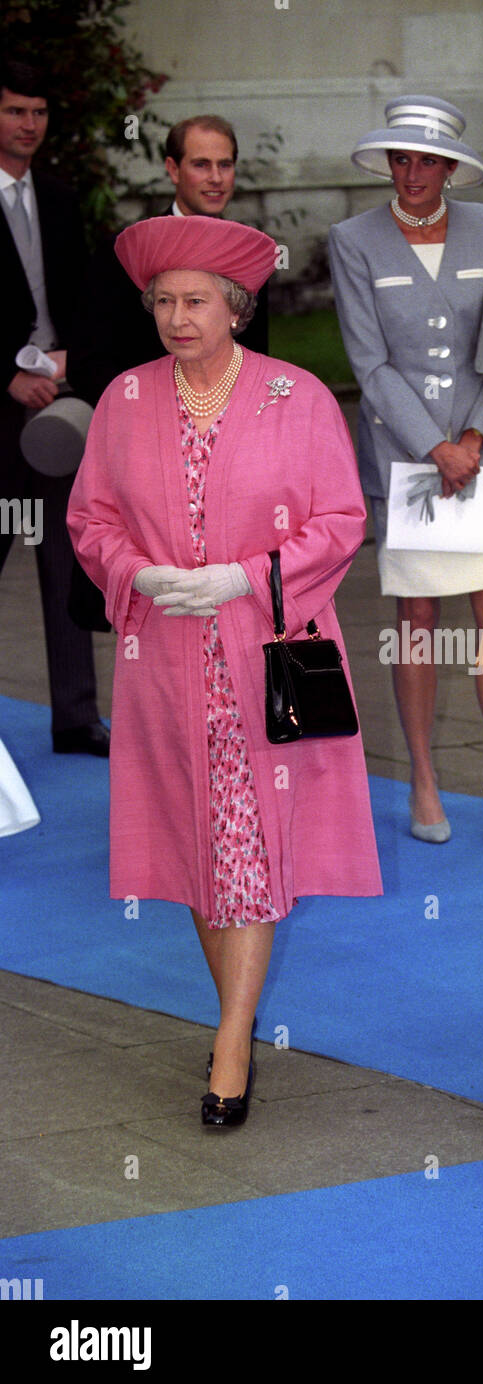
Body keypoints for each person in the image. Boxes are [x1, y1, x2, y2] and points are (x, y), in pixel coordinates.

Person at [67, 215, 381, 1127]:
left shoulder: (298, 395)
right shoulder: (124, 399)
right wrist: (139, 574)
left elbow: (339, 521)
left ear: (236, 307)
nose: (176, 317)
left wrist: (243, 577)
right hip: (163, 660)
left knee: (246, 845)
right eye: (162, 301)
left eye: (195, 300)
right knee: (200, 849)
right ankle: (234, 1023)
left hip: (266, 657)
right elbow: (91, 522)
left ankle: (233, 1043)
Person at [328, 95, 483, 842]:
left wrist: (473, 438)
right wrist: (432, 445)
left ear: (450, 167)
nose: (412, 173)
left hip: (482, 456)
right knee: (417, 621)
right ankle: (422, 777)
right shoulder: (353, 239)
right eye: (400, 159)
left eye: (427, 160)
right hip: (405, 460)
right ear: (388, 163)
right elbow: (367, 361)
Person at [0, 57, 108, 755]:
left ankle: (75, 717)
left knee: (68, 559)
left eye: (39, 112)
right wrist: (4, 377)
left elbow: (87, 299)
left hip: (60, 411)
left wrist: (73, 361)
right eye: (15, 111)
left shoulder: (65, 199)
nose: (30, 124)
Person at [69, 114, 268, 408]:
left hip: (230, 426)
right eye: (201, 164)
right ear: (173, 169)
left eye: (225, 165)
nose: (216, 177)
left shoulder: (249, 253)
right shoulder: (124, 253)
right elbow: (86, 364)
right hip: (141, 425)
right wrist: (144, 410)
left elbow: (257, 358)